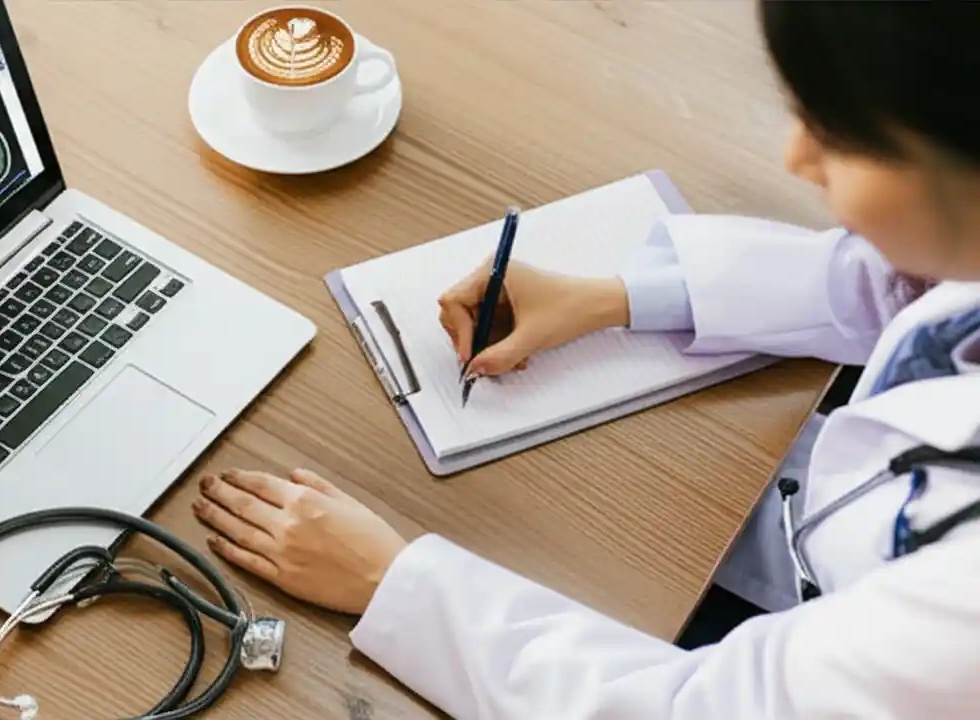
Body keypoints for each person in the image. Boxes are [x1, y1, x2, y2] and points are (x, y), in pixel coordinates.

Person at [191, 3, 980, 717]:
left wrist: (389, 582)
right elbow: (903, 286)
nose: (795, 156)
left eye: (841, 131)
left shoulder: (959, 611)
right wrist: (612, 298)